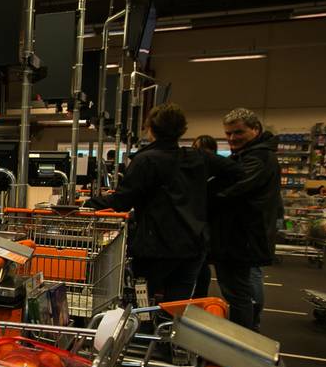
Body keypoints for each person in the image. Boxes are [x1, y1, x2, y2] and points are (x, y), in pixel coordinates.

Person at [87, 104, 239, 304]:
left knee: (144, 301)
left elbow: (122, 201)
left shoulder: (146, 160)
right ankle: (169, 332)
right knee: (176, 304)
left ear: (151, 129)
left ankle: (145, 332)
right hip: (192, 244)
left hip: (155, 246)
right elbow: (235, 172)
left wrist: (91, 203)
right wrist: (204, 192)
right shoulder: (198, 157)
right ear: (182, 130)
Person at [208, 108, 283, 331]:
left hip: (243, 236)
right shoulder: (249, 155)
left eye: (238, 132)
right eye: (228, 134)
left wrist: (202, 196)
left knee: (239, 292)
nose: (232, 138)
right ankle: (247, 331)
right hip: (241, 234)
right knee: (242, 288)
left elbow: (234, 190)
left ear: (255, 129)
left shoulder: (258, 158)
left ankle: (243, 336)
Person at [190, 135, 219, 298]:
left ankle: (199, 300)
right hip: (199, 225)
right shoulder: (198, 170)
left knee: (200, 267)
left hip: (205, 226)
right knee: (200, 267)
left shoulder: (213, 173)